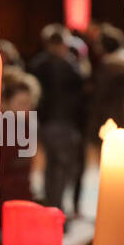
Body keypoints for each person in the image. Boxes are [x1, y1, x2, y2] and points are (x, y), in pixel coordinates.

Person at [28, 24, 87, 213]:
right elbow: (83, 90)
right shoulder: (69, 65)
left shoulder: (37, 64)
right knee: (61, 168)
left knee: (51, 166)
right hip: (64, 124)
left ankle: (51, 206)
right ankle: (56, 209)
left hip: (45, 123)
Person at [0, 67, 41, 206]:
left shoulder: (25, 126)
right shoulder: (3, 130)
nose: (27, 109)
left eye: (30, 104)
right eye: (21, 104)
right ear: (5, 103)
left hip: (20, 201)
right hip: (4, 205)